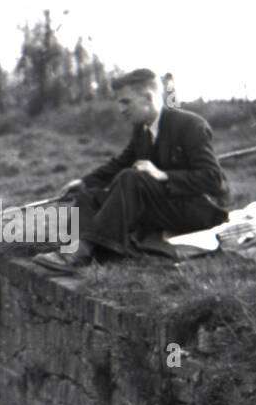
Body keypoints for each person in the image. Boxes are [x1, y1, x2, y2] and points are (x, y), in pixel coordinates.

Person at [33, 68, 230, 273]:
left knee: (130, 178)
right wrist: (84, 182)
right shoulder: (142, 129)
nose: (121, 109)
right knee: (89, 195)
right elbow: (121, 163)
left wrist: (163, 175)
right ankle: (76, 250)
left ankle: (80, 252)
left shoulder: (190, 124)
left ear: (147, 97)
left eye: (125, 101)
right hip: (166, 205)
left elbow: (214, 180)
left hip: (199, 210)